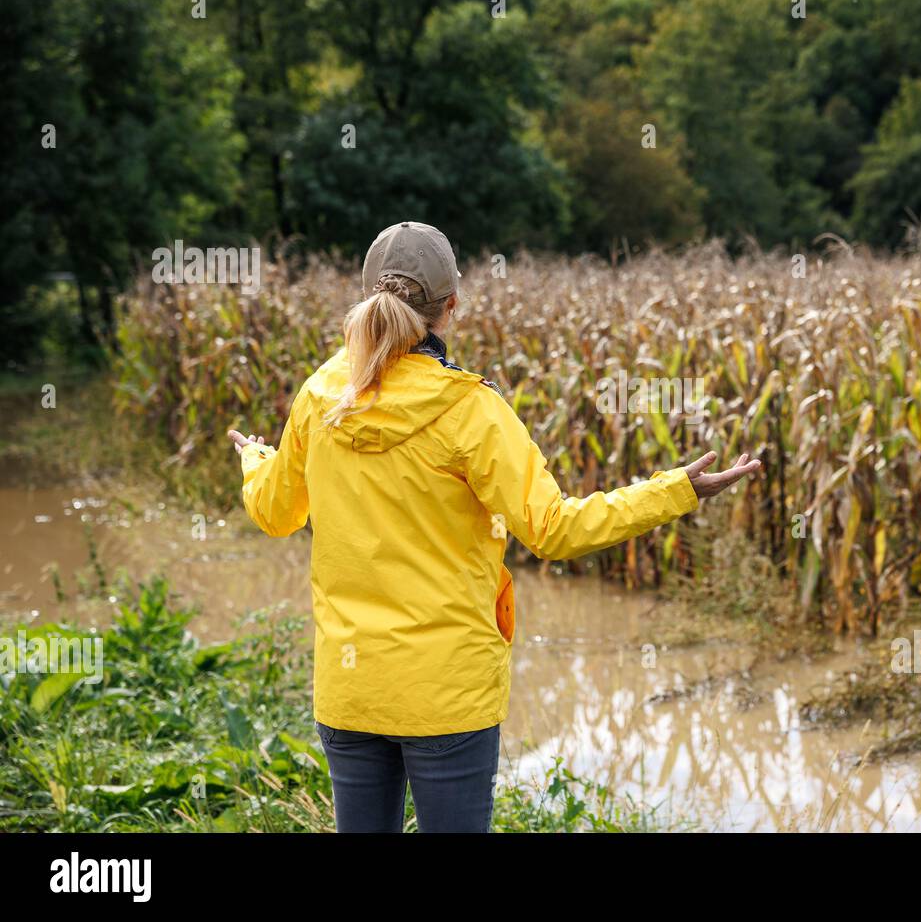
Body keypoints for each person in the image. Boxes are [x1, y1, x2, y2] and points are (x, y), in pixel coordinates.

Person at [227, 221, 762, 832]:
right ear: (450, 306)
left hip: (350, 689)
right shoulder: (469, 409)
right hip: (447, 695)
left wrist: (255, 458)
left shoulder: (321, 394)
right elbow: (555, 530)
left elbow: (275, 512)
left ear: (368, 297)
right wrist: (678, 490)